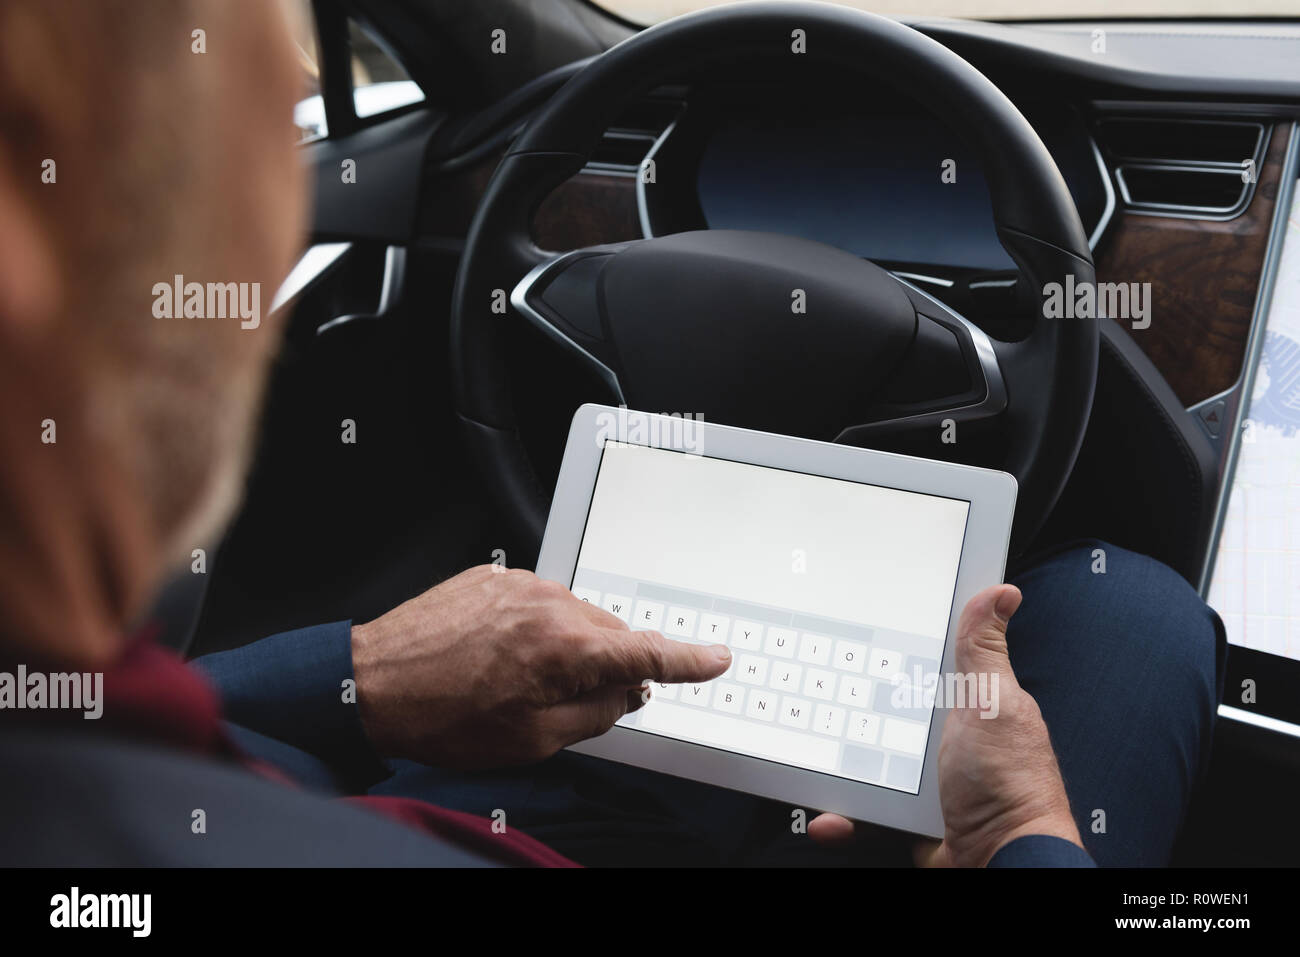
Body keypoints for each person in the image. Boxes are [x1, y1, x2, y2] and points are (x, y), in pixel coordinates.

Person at [0, 0, 1224, 867]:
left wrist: (358, 676)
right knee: (1137, 611)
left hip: (438, 781)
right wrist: (1019, 843)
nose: (303, 83)